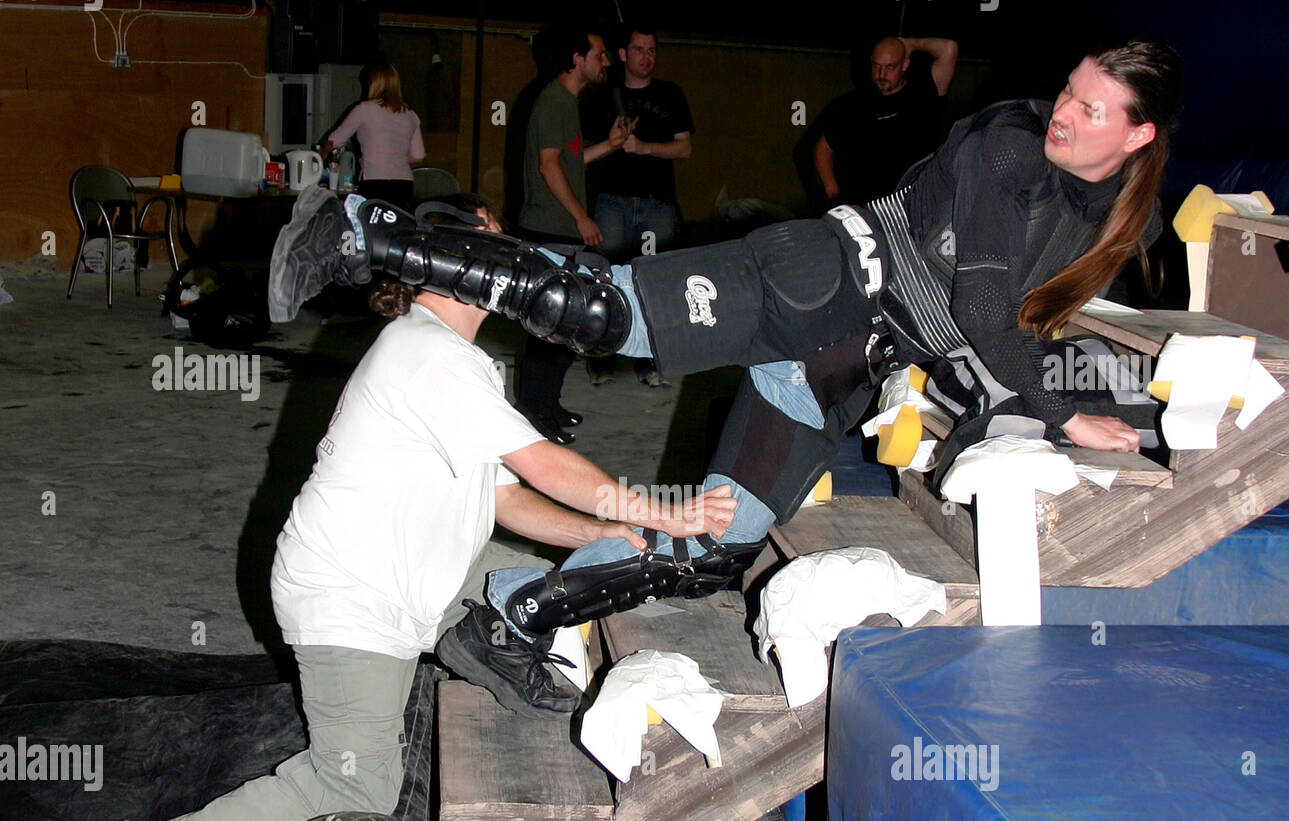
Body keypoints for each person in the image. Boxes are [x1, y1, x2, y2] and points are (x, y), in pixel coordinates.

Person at [269, 40, 1181, 684]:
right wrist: (1059, 412)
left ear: (1137, 138)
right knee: (605, 310)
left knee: (712, 546)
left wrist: (1041, 403)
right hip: (815, 277)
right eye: (1069, 89)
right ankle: (365, 233)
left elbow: (966, 323)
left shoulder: (1092, 213)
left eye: (1089, 109)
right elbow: (982, 304)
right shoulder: (1012, 142)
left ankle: (511, 612)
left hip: (834, 365)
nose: (1063, 111)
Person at [68, 193, 737, 821]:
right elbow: (546, 468)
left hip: (416, 569)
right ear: (450, 263)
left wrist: (608, 534)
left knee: (539, 582)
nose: (513, 266)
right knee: (356, 783)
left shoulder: (454, 360)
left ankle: (476, 631)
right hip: (351, 601)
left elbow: (503, 499)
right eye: (493, 247)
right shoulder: (427, 355)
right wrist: (664, 508)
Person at [515, 22, 633, 444]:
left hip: (558, 229)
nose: (606, 62)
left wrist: (610, 145)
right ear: (576, 59)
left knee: (563, 328)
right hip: (549, 230)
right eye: (599, 54)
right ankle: (535, 416)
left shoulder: (565, 103)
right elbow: (549, 168)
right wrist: (582, 218)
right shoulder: (554, 102)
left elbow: (567, 162)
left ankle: (547, 406)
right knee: (551, 327)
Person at [582, 23, 694, 386]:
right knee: (606, 279)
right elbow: (577, 150)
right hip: (611, 203)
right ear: (623, 55)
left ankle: (650, 361)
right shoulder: (601, 95)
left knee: (654, 284)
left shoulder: (670, 94)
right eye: (640, 50)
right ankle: (602, 358)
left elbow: (685, 147)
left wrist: (644, 148)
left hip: (656, 205)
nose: (647, 57)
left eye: (652, 50)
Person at [814, 35, 959, 206]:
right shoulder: (853, 105)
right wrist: (832, 190)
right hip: (867, 206)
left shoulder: (924, 93)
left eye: (890, 67)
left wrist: (911, 44)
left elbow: (949, 49)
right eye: (877, 66)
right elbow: (823, 147)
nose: (882, 74)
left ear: (905, 64)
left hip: (915, 201)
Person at [320, 61, 424, 211]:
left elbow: (335, 141)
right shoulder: (410, 115)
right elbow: (418, 156)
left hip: (374, 181)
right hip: (404, 184)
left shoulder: (364, 109)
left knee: (371, 225)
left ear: (373, 83)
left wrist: (321, 153)